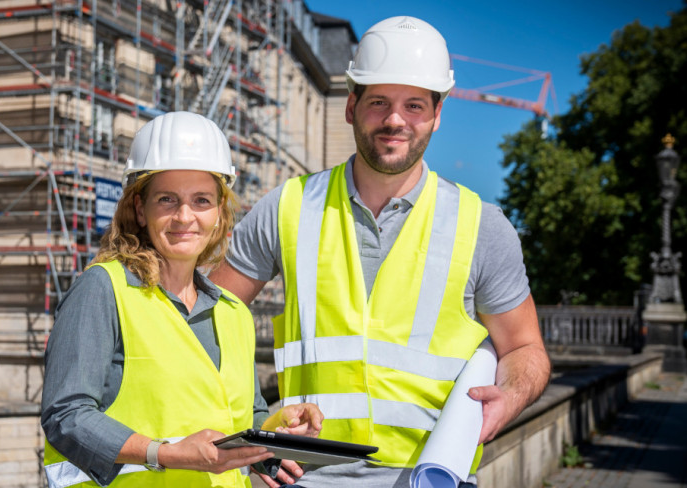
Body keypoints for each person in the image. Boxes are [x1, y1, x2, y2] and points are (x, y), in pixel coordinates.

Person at [210, 15, 551, 488]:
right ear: (351, 107)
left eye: (414, 104)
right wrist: (251, 428)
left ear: (436, 114)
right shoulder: (287, 206)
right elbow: (209, 327)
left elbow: (525, 349)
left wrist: (510, 395)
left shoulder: (482, 226)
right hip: (304, 477)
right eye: (378, 102)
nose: (395, 120)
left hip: (430, 476)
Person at [41, 111, 323, 488]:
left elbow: (246, 420)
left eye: (202, 200)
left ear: (220, 214)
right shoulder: (103, 289)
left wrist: (277, 428)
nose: (184, 216)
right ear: (140, 210)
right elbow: (66, 415)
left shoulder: (233, 313)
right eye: (167, 199)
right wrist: (165, 453)